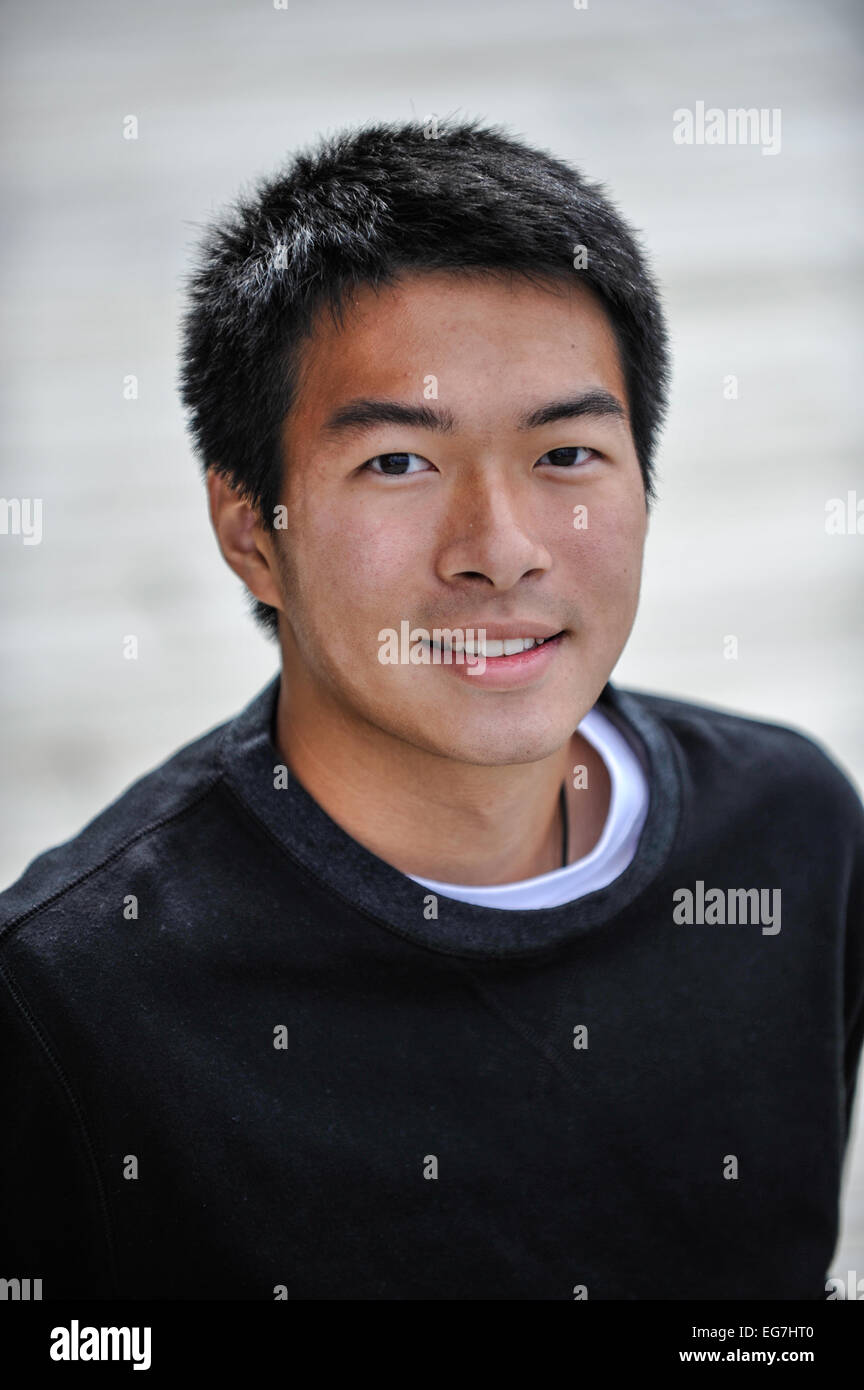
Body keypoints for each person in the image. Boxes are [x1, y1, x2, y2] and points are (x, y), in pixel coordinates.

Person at [1, 118, 862, 1301]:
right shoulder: (70, 997)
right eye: (398, 463)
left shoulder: (791, 830)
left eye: (567, 453)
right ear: (253, 531)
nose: (499, 553)